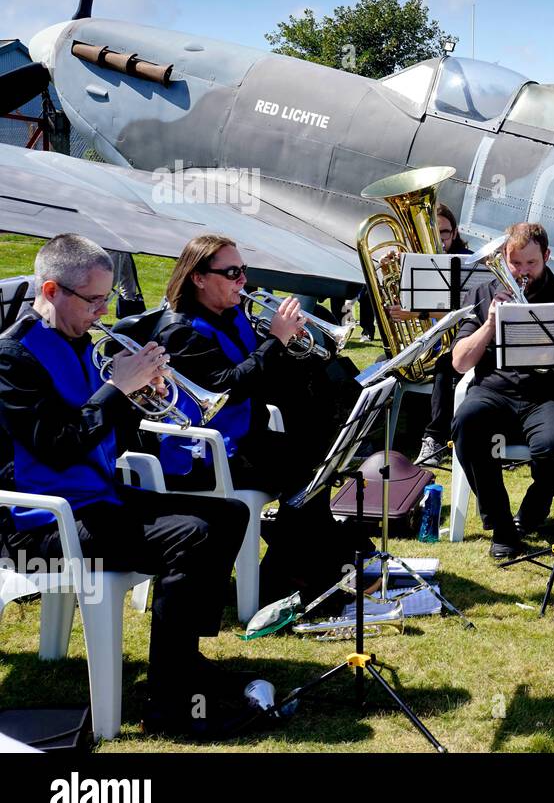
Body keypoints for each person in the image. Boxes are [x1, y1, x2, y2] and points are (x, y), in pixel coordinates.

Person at [0, 234, 250, 738]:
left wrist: (146, 394)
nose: (102, 311)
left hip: (97, 501)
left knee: (229, 514)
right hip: (43, 525)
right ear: (51, 290)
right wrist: (117, 389)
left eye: (106, 298)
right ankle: (169, 704)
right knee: (193, 535)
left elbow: (109, 438)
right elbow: (58, 445)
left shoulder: (80, 343)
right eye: (93, 300)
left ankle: (182, 659)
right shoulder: (13, 359)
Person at [153, 234, 369, 606]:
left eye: (244, 271)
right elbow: (227, 389)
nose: (243, 281)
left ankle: (300, 573)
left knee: (317, 465)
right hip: (201, 453)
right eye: (232, 272)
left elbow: (266, 378)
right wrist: (274, 341)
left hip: (244, 439)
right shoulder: (180, 331)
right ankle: (307, 574)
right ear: (198, 278)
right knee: (305, 475)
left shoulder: (231, 314)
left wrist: (295, 346)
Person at [449, 222, 554, 558]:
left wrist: (551, 345)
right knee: (466, 424)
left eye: (531, 263)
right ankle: (501, 524)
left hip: (547, 394)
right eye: (515, 263)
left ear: (547, 256)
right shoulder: (483, 293)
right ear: (504, 257)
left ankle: (535, 505)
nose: (522, 272)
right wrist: (490, 322)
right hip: (495, 391)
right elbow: (460, 362)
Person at [388, 203, 474, 468]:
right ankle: (378, 439)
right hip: (426, 345)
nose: (440, 240)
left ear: (456, 231)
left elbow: (465, 311)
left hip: (459, 346)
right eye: (433, 234)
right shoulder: (413, 262)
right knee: (384, 364)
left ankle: (434, 439)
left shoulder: (469, 262)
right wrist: (387, 271)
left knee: (444, 367)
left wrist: (416, 315)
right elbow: (389, 303)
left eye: (445, 233)